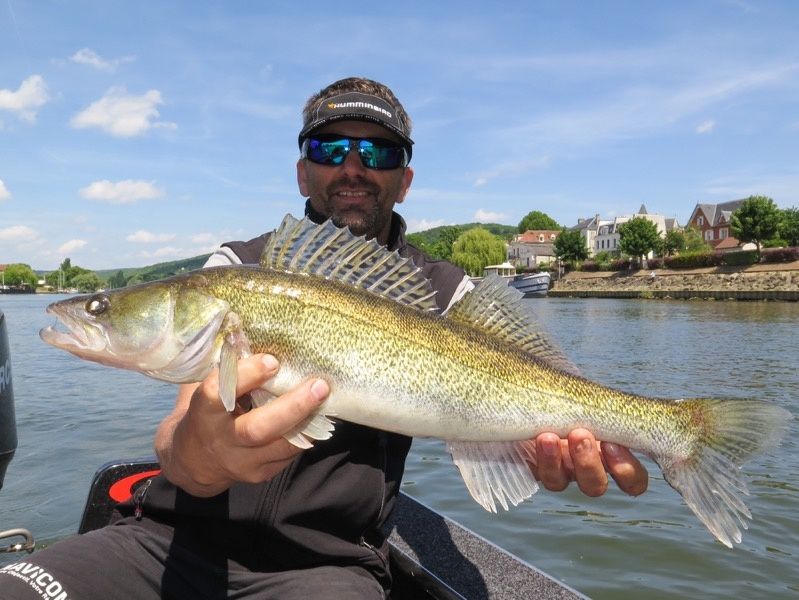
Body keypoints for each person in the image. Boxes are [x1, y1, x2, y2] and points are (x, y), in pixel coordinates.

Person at [0, 77, 647, 599]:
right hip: (168, 539)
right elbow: (178, 430)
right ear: (302, 172)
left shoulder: (449, 293)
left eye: (380, 152)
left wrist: (541, 443)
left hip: (325, 569)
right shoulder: (236, 269)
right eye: (331, 149)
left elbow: (516, 387)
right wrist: (194, 457)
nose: (355, 167)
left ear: (405, 178)